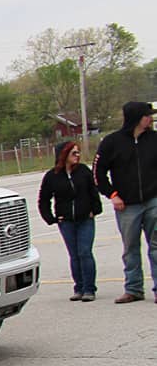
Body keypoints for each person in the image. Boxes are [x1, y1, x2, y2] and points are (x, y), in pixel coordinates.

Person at [93, 100, 157, 303]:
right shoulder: (111, 142)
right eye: (147, 115)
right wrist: (112, 195)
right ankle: (133, 289)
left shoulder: (154, 139)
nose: (150, 118)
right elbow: (98, 173)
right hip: (127, 205)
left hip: (153, 201)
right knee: (130, 248)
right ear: (137, 117)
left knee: (156, 246)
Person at [38, 139, 101, 301]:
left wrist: (95, 210)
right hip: (66, 221)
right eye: (74, 152)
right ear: (64, 155)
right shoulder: (52, 176)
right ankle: (79, 287)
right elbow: (43, 199)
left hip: (85, 219)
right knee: (74, 254)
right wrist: (51, 218)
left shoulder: (83, 171)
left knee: (84, 252)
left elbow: (93, 191)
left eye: (78, 152)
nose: (77, 155)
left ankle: (89, 289)